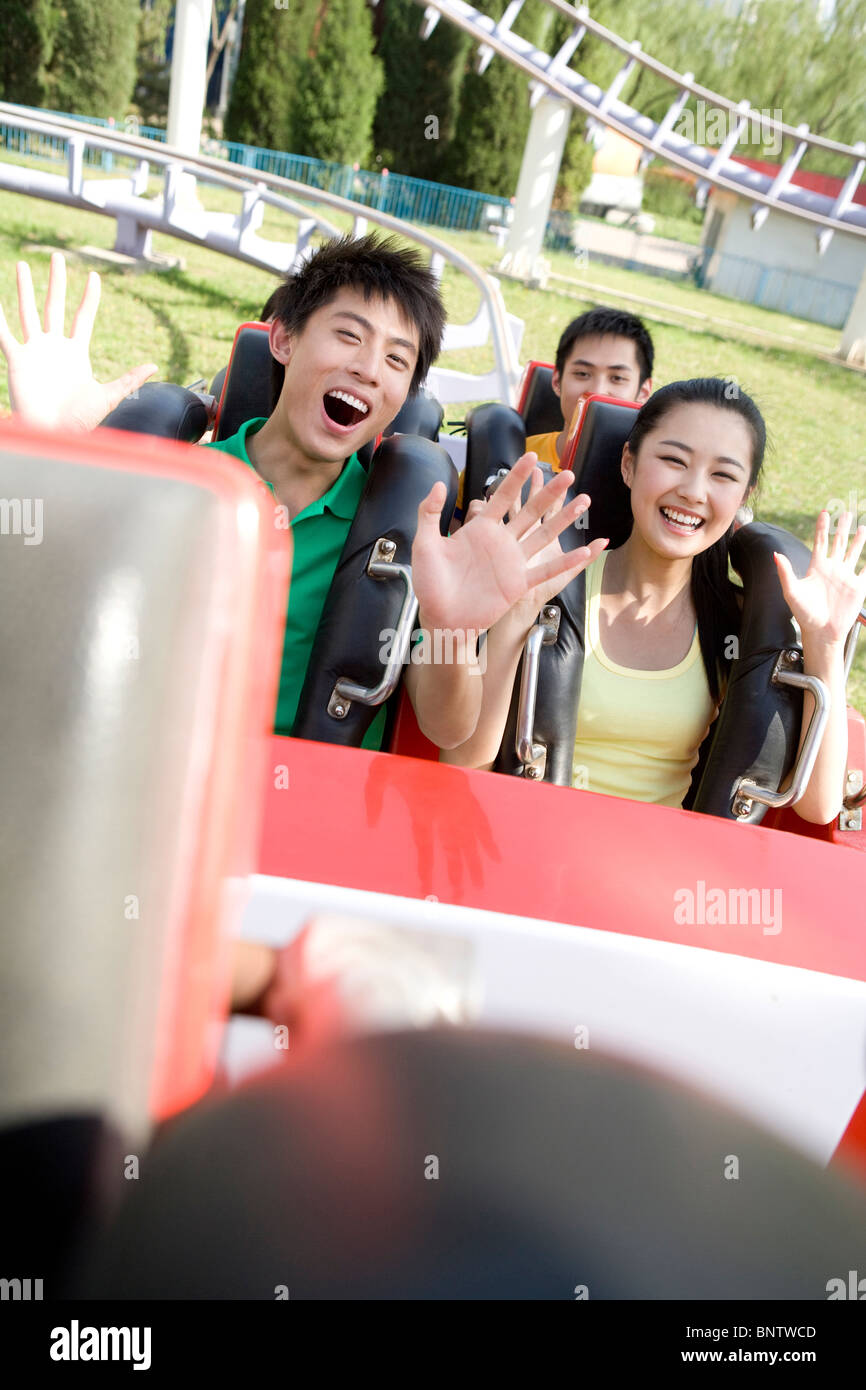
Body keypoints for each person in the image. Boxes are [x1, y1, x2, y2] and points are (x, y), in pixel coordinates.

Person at [0, 241, 604, 1026]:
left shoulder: (409, 536)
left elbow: (456, 735)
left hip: (301, 846)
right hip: (134, 813)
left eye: (396, 358)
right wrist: (47, 455)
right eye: (347, 337)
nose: (368, 369)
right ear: (283, 339)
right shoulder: (170, 480)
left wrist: (455, 627)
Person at [444, 378, 865, 826]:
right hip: (524, 842)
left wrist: (824, 644)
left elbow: (819, 807)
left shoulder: (735, 623)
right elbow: (463, 761)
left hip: (663, 871)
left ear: (744, 497)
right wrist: (516, 610)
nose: (693, 491)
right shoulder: (547, 581)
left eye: (723, 475)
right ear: (629, 464)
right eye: (673, 460)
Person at [526, 306, 654, 470]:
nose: (597, 392)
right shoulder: (520, 455)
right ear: (557, 381)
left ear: (643, 392)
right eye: (582, 374)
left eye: (617, 378)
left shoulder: (642, 479)